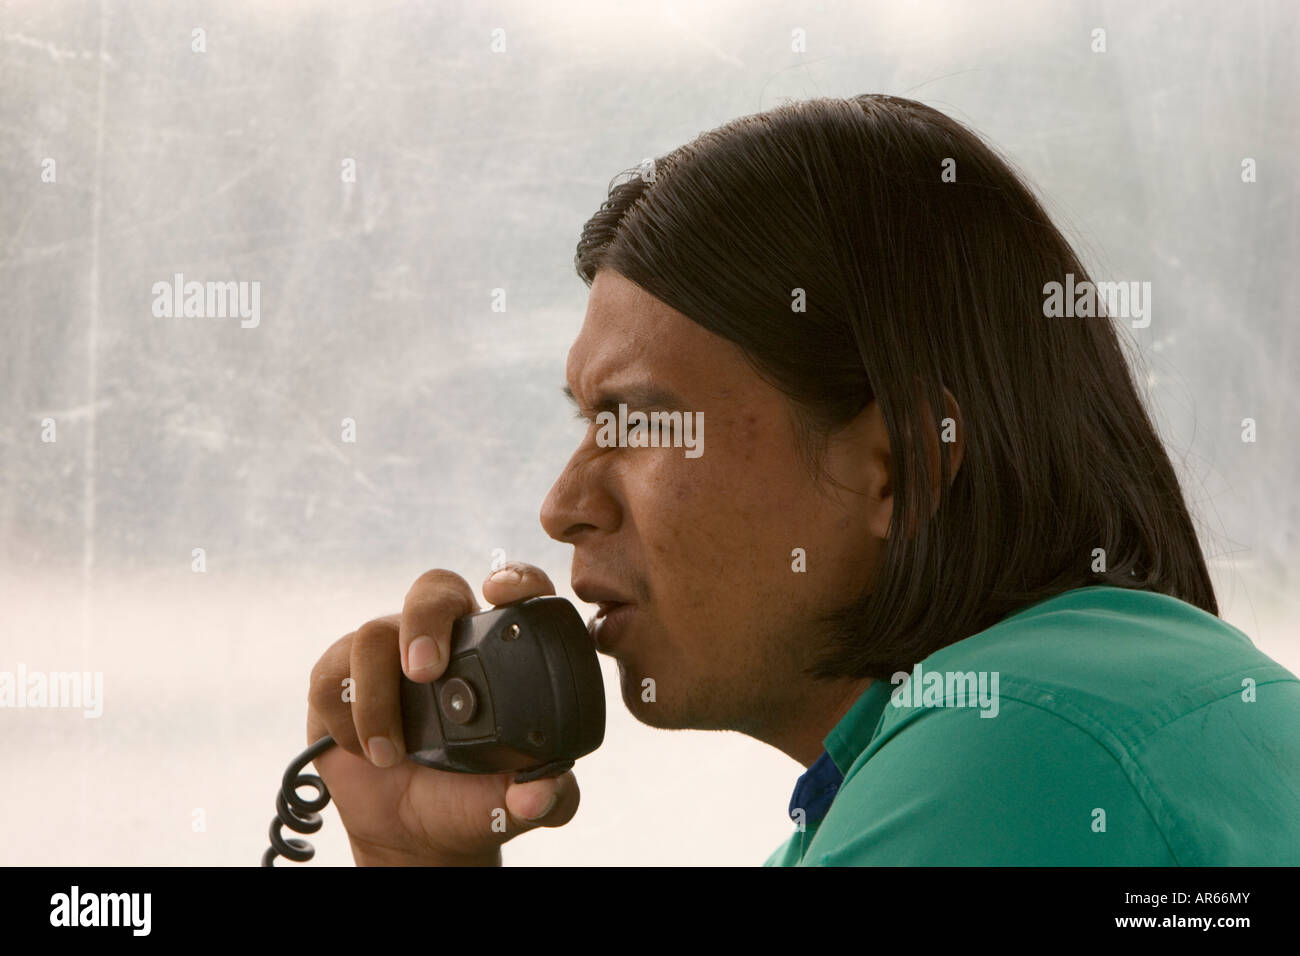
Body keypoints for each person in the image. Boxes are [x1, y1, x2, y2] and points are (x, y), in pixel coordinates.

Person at [305, 94, 1300, 866]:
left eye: (639, 420)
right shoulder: (1061, 704)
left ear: (898, 463)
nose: (564, 504)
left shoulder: (1010, 746)